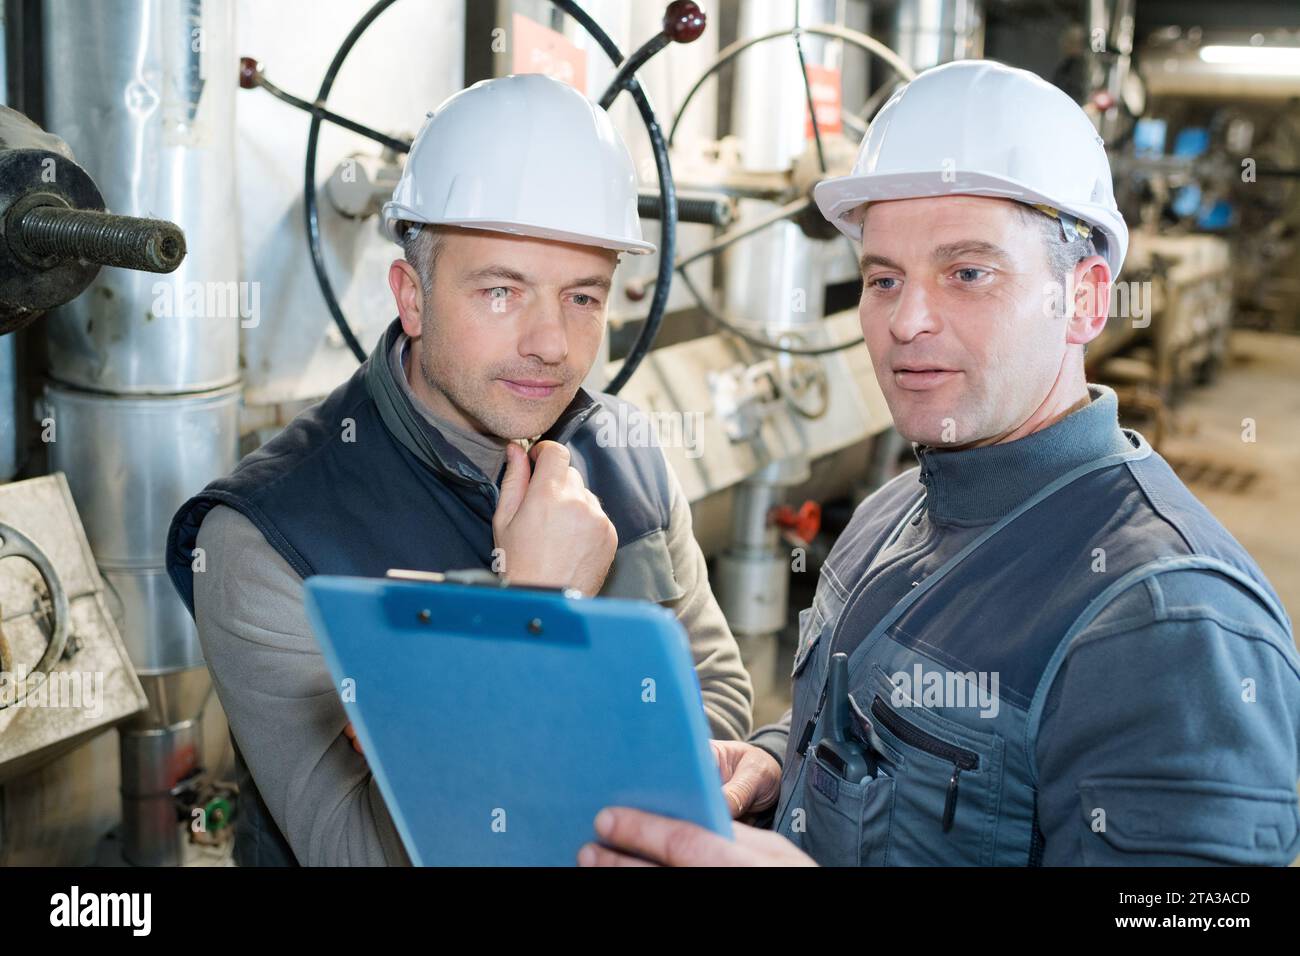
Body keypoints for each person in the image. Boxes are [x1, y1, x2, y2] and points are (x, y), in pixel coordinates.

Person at [581, 59, 1300, 868]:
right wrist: (783, 764)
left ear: (1087, 300)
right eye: (884, 278)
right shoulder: (893, 512)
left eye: (967, 273)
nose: (907, 319)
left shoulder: (1168, 623)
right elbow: (875, 737)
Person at [165, 74, 753, 866]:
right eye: (504, 291)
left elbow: (717, 697)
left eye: (583, 297)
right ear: (412, 296)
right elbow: (359, 852)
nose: (551, 343)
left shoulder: (625, 448)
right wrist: (538, 611)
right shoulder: (268, 541)